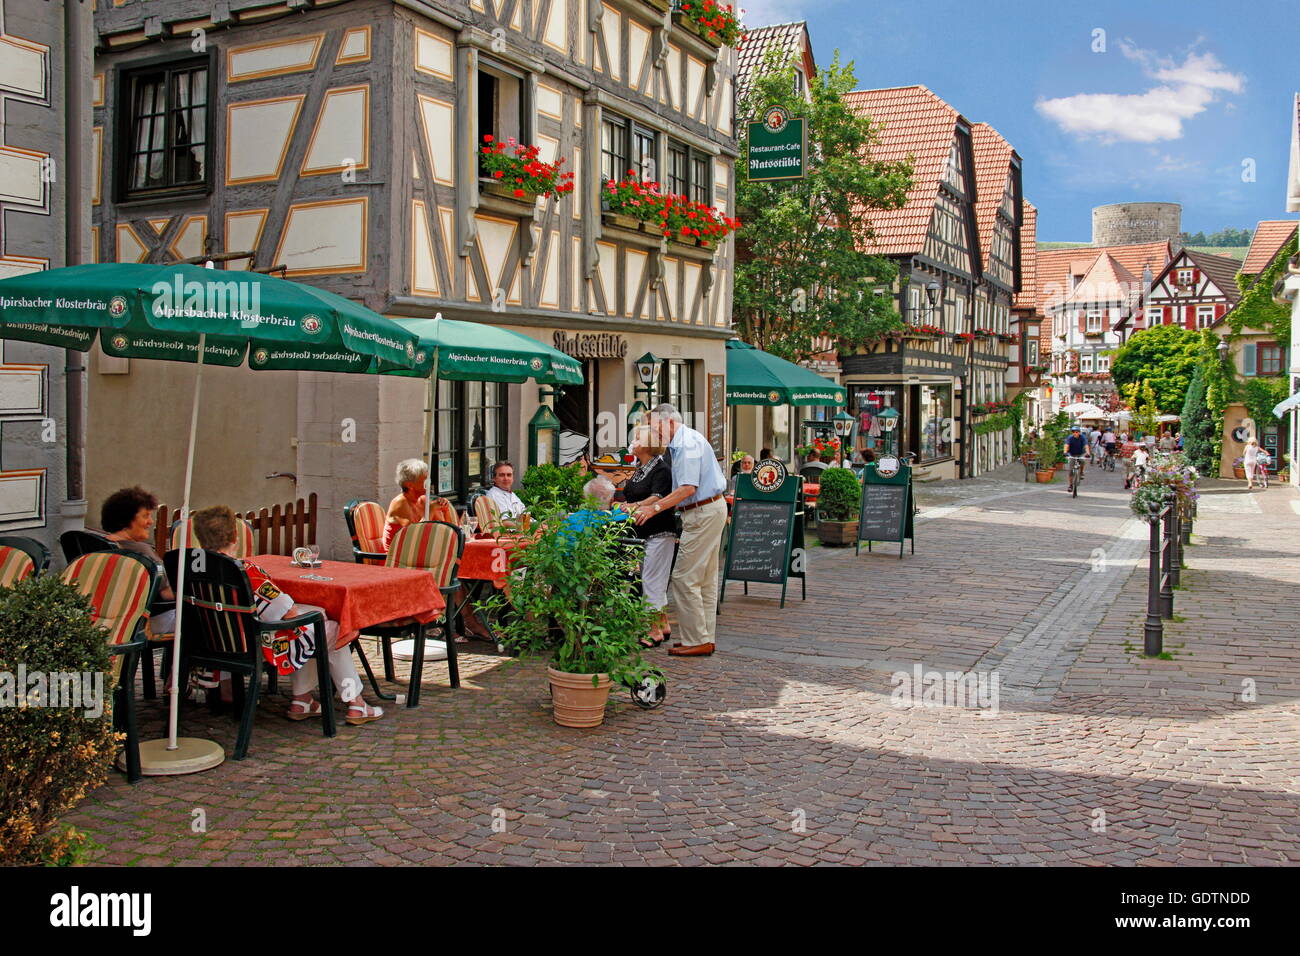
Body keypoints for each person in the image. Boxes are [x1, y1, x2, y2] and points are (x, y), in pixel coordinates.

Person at [190, 505, 383, 725]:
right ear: (235, 535)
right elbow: (287, 611)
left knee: (315, 623)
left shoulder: (194, 567)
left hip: (217, 640)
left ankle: (303, 700)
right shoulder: (243, 570)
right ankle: (355, 703)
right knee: (333, 630)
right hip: (257, 644)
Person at [634, 404, 727, 657]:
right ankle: (703, 638)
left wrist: (654, 508)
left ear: (669, 423)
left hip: (702, 511)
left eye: (655, 428)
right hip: (708, 509)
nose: (654, 434)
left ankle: (695, 639)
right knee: (705, 579)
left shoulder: (686, 446)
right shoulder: (685, 442)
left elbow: (687, 488)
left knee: (685, 577)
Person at [623, 428, 676, 647]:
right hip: (644, 532)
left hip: (660, 531)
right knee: (651, 577)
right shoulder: (640, 467)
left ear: (647, 444)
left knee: (652, 580)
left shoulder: (661, 469)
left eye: (637, 438)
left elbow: (657, 496)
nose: (633, 442)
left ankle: (653, 630)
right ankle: (663, 623)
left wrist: (633, 506)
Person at [100, 486, 175, 635]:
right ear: (126, 519)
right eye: (145, 516)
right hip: (146, 620)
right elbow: (167, 594)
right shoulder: (141, 552)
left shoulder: (98, 544)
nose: (150, 522)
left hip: (106, 618)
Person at [383, 459, 454, 552]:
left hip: (419, 553)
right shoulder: (400, 503)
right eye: (425, 481)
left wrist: (445, 510)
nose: (429, 485)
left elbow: (448, 530)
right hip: (398, 559)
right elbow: (416, 535)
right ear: (410, 485)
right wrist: (431, 510)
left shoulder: (423, 500)